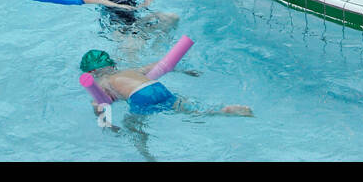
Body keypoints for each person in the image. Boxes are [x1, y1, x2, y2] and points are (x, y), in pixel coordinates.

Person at [79, 49, 252, 118]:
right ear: (112, 65)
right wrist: (185, 71)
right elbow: (158, 66)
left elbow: (99, 105)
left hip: (140, 96)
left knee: (133, 126)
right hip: (156, 87)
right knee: (184, 107)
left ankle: (145, 153)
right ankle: (221, 110)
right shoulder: (129, 71)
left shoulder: (102, 81)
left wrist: (105, 122)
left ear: (90, 73)